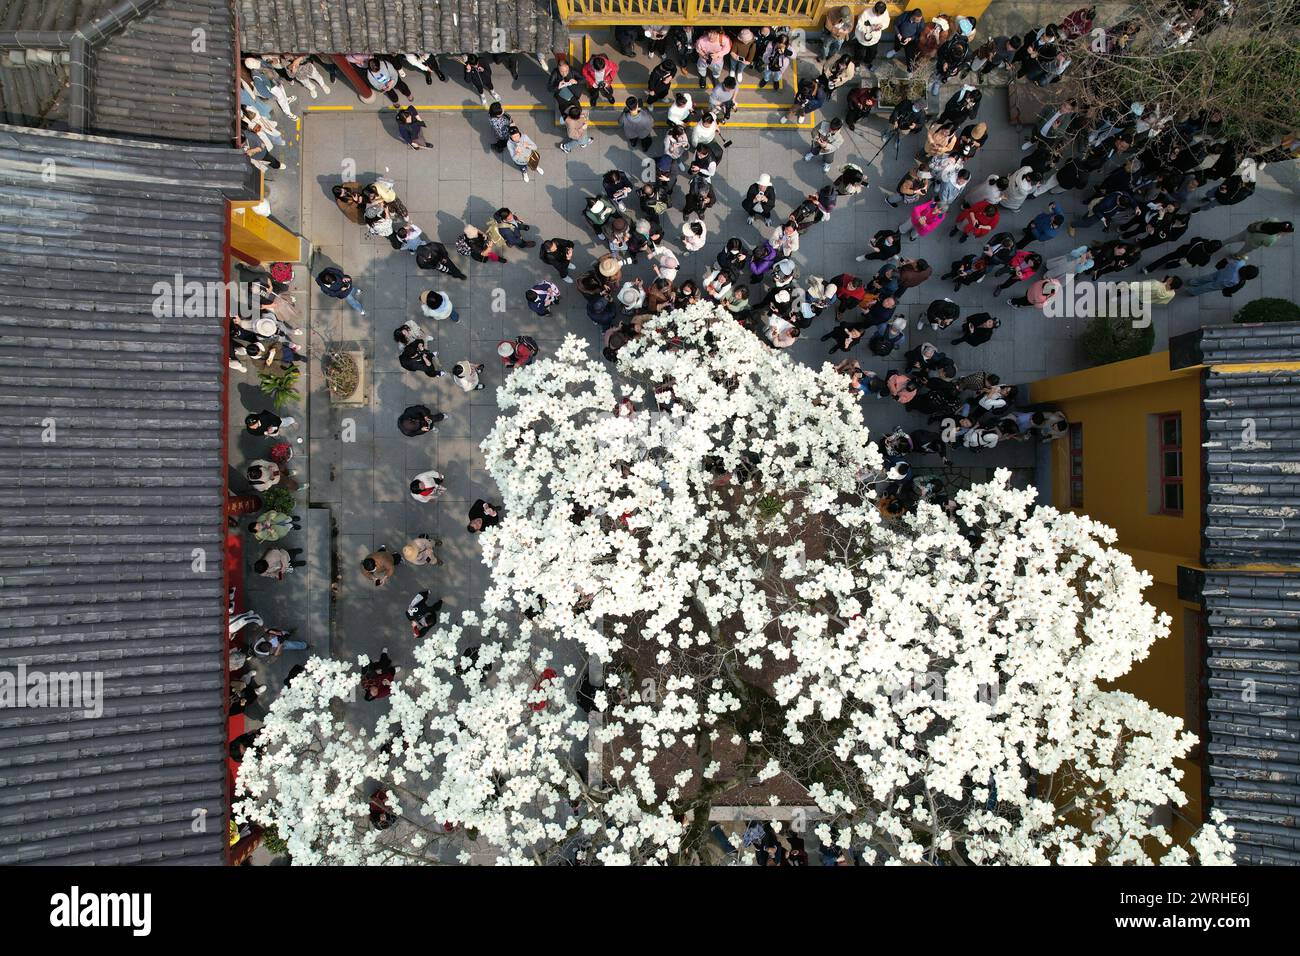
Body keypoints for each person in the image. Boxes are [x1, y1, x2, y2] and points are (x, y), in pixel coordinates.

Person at [1183, 254, 1249, 296]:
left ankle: (1193, 281)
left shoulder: (1240, 263)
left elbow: (1231, 260)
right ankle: (1192, 291)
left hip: (1220, 272)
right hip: (1220, 283)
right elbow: (1226, 284)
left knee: (1206, 277)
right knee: (1205, 288)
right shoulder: (1236, 280)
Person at [853, 2, 892, 67]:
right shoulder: (866, 13)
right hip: (862, 38)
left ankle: (867, 61)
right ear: (874, 8)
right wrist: (871, 28)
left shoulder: (885, 12)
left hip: (875, 38)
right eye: (877, 14)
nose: (878, 16)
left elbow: (886, 22)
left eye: (880, 15)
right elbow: (859, 26)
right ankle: (857, 62)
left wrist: (881, 26)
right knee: (859, 52)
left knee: (872, 53)